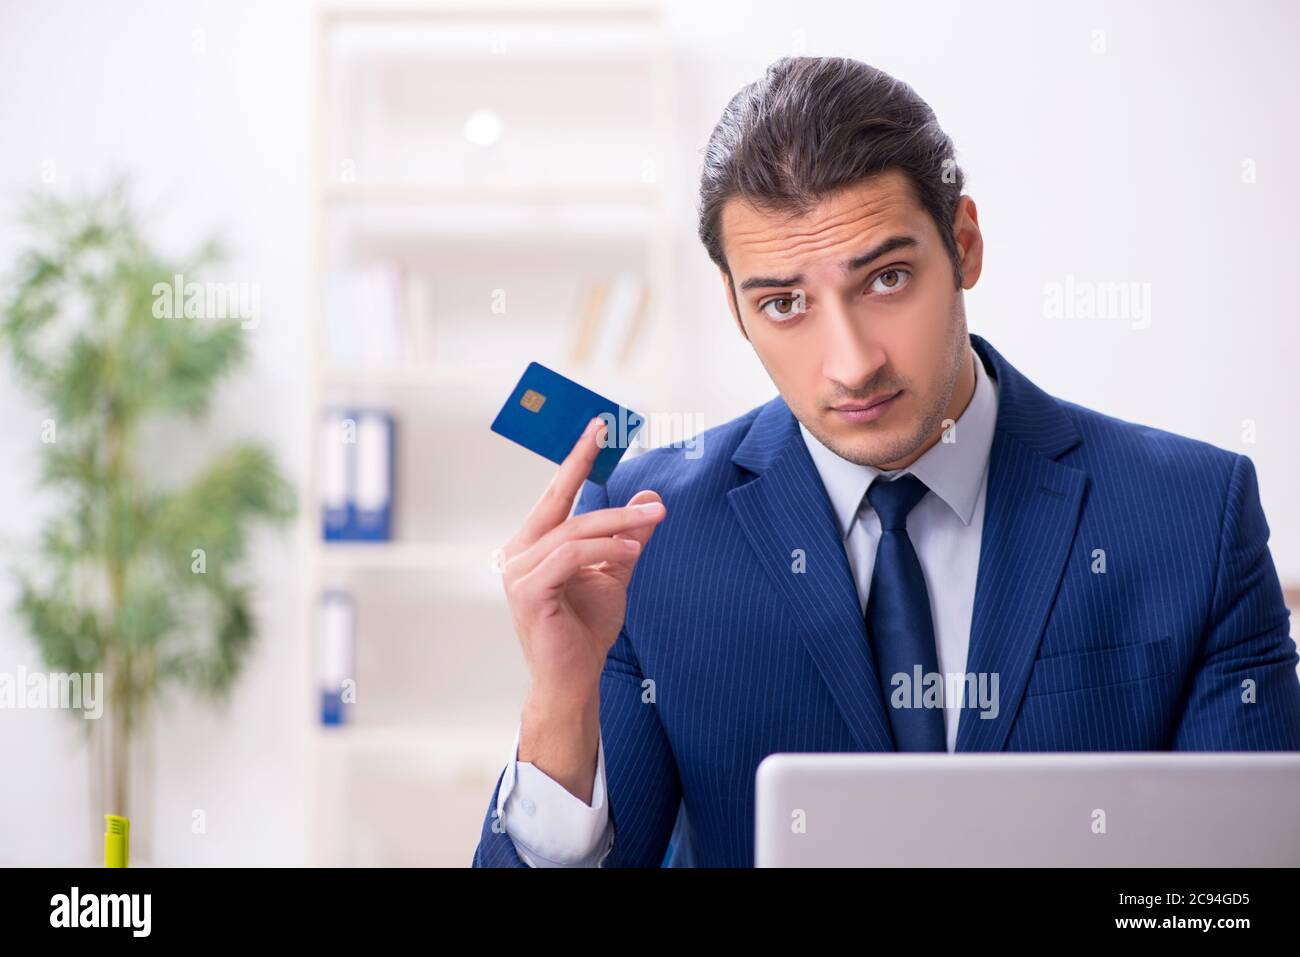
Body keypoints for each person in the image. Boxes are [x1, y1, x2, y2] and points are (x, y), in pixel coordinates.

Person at [473, 56, 1300, 868]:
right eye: (784, 303)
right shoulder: (653, 531)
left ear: (965, 246)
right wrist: (560, 704)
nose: (851, 363)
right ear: (735, 309)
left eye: (886, 278)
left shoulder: (1195, 514)